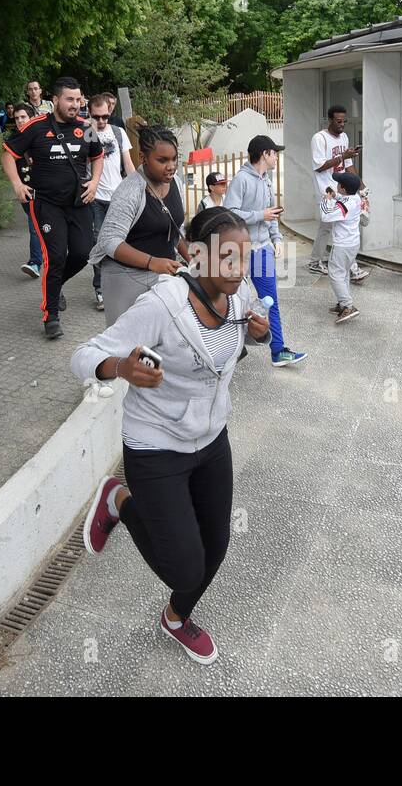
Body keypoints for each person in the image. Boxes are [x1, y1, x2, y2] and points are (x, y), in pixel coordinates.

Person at [74, 206, 271, 665]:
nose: (239, 270)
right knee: (184, 566)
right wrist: (120, 367)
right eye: (227, 259)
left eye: (244, 257)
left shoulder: (239, 298)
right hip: (155, 446)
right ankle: (118, 501)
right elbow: (85, 355)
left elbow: (243, 336)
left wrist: (258, 335)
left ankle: (176, 618)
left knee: (215, 548)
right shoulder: (163, 305)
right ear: (196, 256)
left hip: (211, 440)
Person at [2, 77, 104, 339]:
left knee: (82, 254)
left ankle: (55, 288)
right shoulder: (35, 127)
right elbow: (8, 153)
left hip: (79, 202)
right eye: (70, 99)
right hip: (46, 204)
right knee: (55, 257)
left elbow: (97, 156)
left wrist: (94, 181)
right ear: (55, 100)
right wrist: (16, 184)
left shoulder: (86, 126)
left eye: (78, 99)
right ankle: (51, 316)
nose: (75, 104)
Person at [88, 125, 190, 322]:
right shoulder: (130, 190)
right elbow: (108, 240)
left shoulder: (176, 182)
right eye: (162, 160)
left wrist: (194, 260)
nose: (171, 166)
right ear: (143, 158)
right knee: (128, 345)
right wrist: (153, 262)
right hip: (126, 278)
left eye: (174, 158)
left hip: (164, 276)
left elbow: (176, 229)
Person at [225, 135, 307, 368]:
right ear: (264, 154)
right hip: (240, 251)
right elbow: (229, 212)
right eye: (274, 153)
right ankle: (230, 347)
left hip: (262, 251)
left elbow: (272, 213)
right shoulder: (241, 180)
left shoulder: (267, 179)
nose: (276, 158)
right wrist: (261, 215)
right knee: (231, 299)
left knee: (270, 301)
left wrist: (277, 238)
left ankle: (278, 350)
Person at [85, 92, 137, 310]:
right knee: (99, 243)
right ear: (90, 114)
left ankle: (123, 285)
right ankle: (100, 289)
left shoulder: (118, 132)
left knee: (122, 241)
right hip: (95, 197)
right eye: (96, 117)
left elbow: (128, 164)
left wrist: (137, 188)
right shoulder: (86, 133)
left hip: (117, 196)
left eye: (105, 116)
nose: (101, 121)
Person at [310, 105, 369, 283]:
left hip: (342, 188)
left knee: (331, 226)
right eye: (338, 121)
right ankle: (352, 268)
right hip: (327, 190)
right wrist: (342, 156)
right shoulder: (319, 139)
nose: (342, 125)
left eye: (344, 121)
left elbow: (348, 165)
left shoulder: (344, 137)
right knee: (336, 226)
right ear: (329, 120)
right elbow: (319, 166)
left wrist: (361, 185)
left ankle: (316, 261)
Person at [319, 171, 369, 324]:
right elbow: (344, 200)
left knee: (335, 274)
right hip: (352, 243)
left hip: (342, 245)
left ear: (343, 188)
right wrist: (334, 196)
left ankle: (348, 306)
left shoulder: (345, 205)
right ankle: (342, 304)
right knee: (344, 273)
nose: (337, 185)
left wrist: (326, 200)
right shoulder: (355, 198)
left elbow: (326, 215)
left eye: (339, 183)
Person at [2, 105, 44, 279]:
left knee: (41, 226)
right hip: (26, 190)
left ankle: (39, 260)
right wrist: (16, 184)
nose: (20, 120)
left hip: (47, 189)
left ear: (32, 118)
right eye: (17, 118)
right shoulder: (13, 140)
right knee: (35, 225)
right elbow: (7, 161)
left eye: (23, 117)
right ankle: (37, 261)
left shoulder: (42, 137)